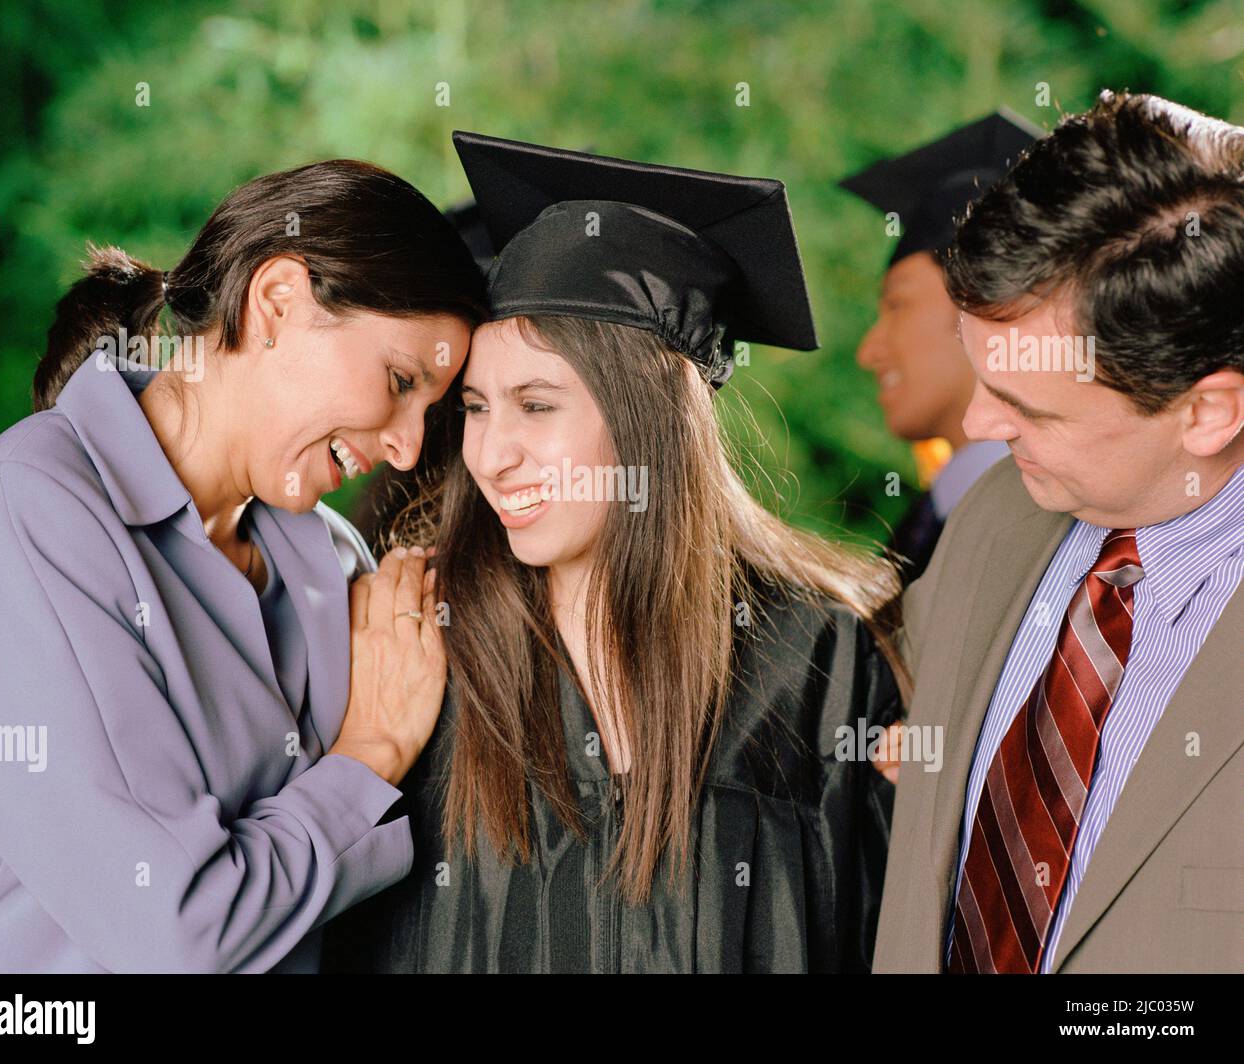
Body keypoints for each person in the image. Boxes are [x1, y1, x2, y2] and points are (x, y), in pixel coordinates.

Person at [323, 132, 906, 973]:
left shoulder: (815, 657)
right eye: (478, 407)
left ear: (654, 412)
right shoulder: (423, 641)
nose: (490, 455)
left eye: (536, 404)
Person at [0, 159, 486, 972]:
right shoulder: (19, 513)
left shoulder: (336, 566)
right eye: (400, 380)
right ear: (275, 303)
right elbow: (175, 934)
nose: (408, 446)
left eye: (432, 409)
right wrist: (370, 749)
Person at [873, 91, 1244, 974]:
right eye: (979, 373)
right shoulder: (996, 521)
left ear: (1209, 412)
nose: (980, 424)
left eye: (1028, 404)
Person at [842, 111, 1039, 584]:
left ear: (989, 304)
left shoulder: (1048, 533)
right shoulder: (932, 520)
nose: (868, 352)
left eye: (898, 305)